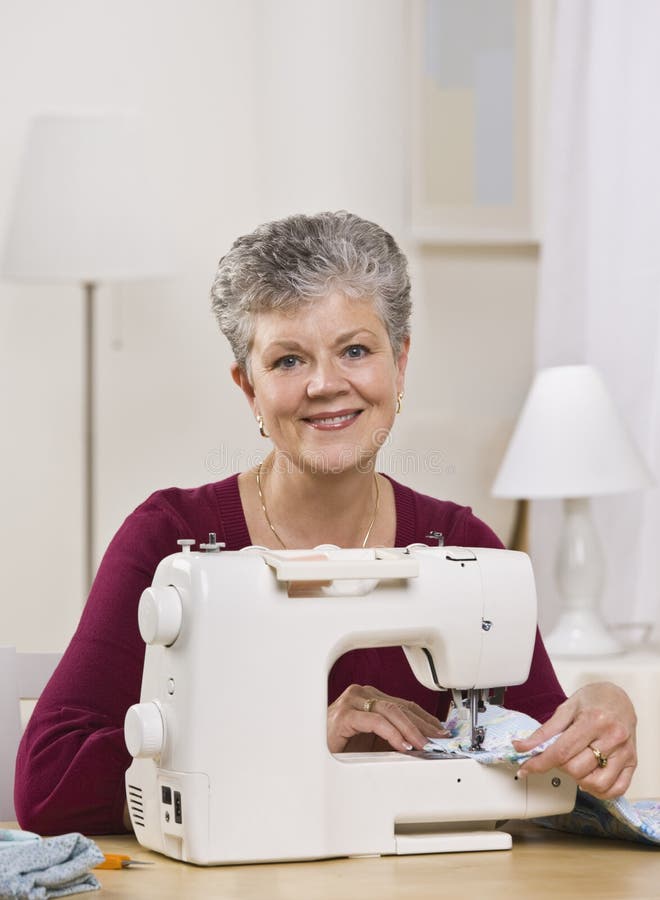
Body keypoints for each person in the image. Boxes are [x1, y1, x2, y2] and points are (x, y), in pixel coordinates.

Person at [14, 211, 637, 836]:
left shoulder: (462, 545)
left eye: (356, 350)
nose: (324, 384)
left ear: (400, 363)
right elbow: (48, 786)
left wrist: (598, 722)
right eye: (287, 360)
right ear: (248, 388)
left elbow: (545, 765)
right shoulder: (167, 539)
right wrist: (299, 739)